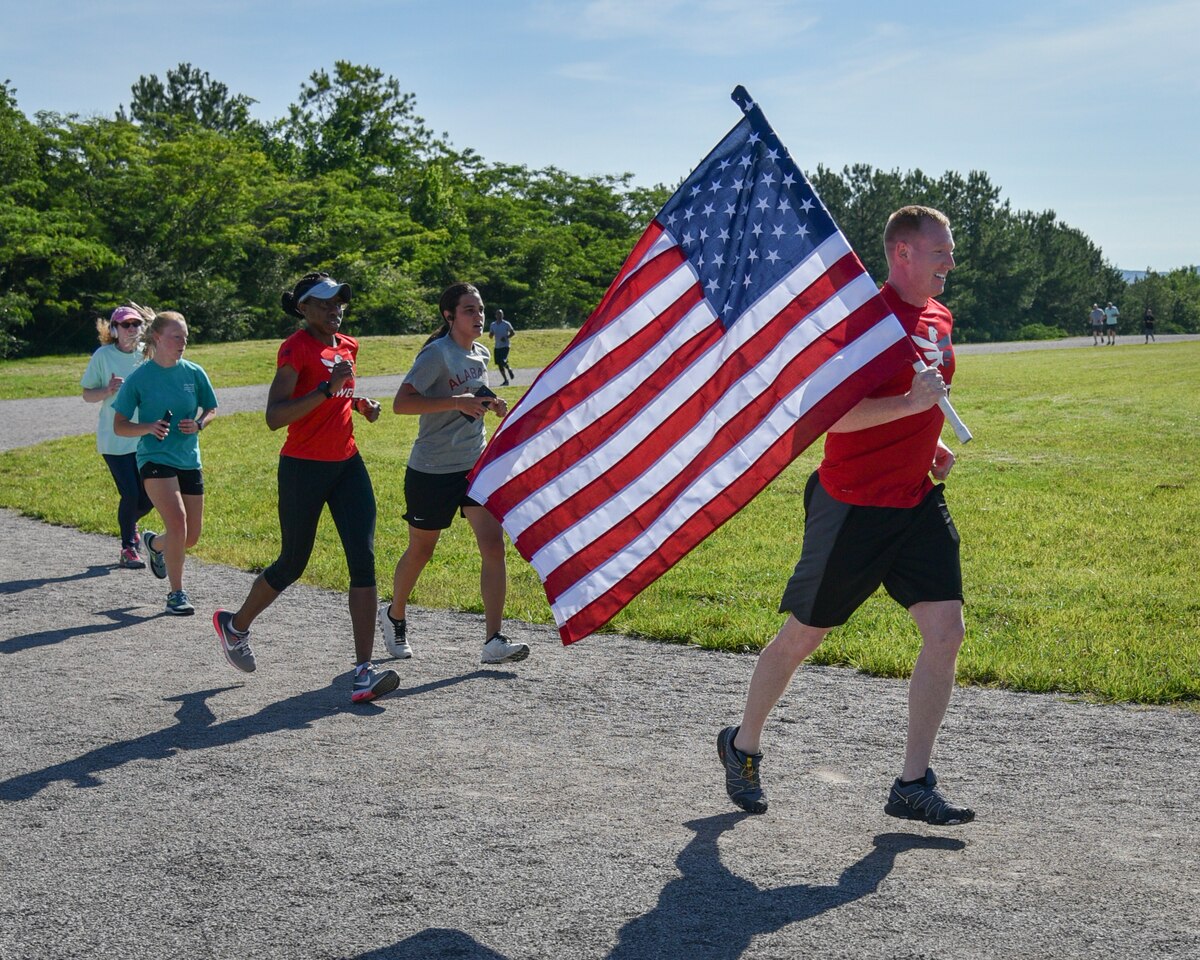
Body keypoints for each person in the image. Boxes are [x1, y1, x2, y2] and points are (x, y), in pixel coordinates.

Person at [717, 205, 974, 826]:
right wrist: (908, 406)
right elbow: (823, 415)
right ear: (901, 254)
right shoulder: (864, 321)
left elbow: (923, 395)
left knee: (947, 633)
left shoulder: (938, 317)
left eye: (949, 250)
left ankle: (912, 783)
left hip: (915, 500)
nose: (950, 261)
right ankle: (742, 744)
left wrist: (928, 438)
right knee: (805, 635)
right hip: (852, 505)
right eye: (939, 250)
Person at [211, 273, 399, 704]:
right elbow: (276, 416)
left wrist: (357, 402)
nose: (337, 308)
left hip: (347, 464)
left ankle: (363, 671)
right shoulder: (293, 349)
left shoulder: (348, 345)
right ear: (304, 307)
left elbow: (338, 394)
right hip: (303, 468)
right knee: (293, 562)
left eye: (340, 302)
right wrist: (325, 389)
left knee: (364, 559)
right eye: (327, 302)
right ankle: (235, 625)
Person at [378, 282, 529, 665]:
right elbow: (401, 404)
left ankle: (493, 639)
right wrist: (455, 401)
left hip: (473, 466)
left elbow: (471, 396)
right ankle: (394, 614)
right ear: (449, 316)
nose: (478, 317)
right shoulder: (437, 354)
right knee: (422, 550)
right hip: (431, 469)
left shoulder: (480, 353)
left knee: (494, 546)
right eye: (469, 311)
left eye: (480, 309)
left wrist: (490, 403)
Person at [112, 311, 218, 616]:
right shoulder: (139, 378)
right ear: (157, 338)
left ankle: (155, 545)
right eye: (176, 336)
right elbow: (120, 425)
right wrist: (148, 427)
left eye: (185, 336)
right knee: (178, 523)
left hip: (188, 459)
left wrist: (199, 424)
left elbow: (211, 408)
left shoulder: (194, 372)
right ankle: (176, 594)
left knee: (191, 536)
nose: (183, 342)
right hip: (154, 458)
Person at [81, 304, 156, 569]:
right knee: (131, 494)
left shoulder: (146, 354)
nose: (132, 329)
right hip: (113, 439)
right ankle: (129, 548)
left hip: (143, 435)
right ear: (114, 329)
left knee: (149, 497)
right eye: (125, 325)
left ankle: (130, 525)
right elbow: (87, 394)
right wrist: (108, 389)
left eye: (136, 324)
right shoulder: (103, 355)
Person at [488, 308, 516, 386]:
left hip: (505, 346)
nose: (499, 316)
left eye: (501, 314)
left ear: (503, 315)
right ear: (495, 315)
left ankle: (509, 369)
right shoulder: (493, 324)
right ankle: (505, 380)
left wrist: (506, 337)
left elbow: (513, 333)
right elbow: (491, 334)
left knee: (503, 360)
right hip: (497, 346)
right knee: (500, 365)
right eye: (498, 314)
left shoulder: (506, 324)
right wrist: (491, 335)